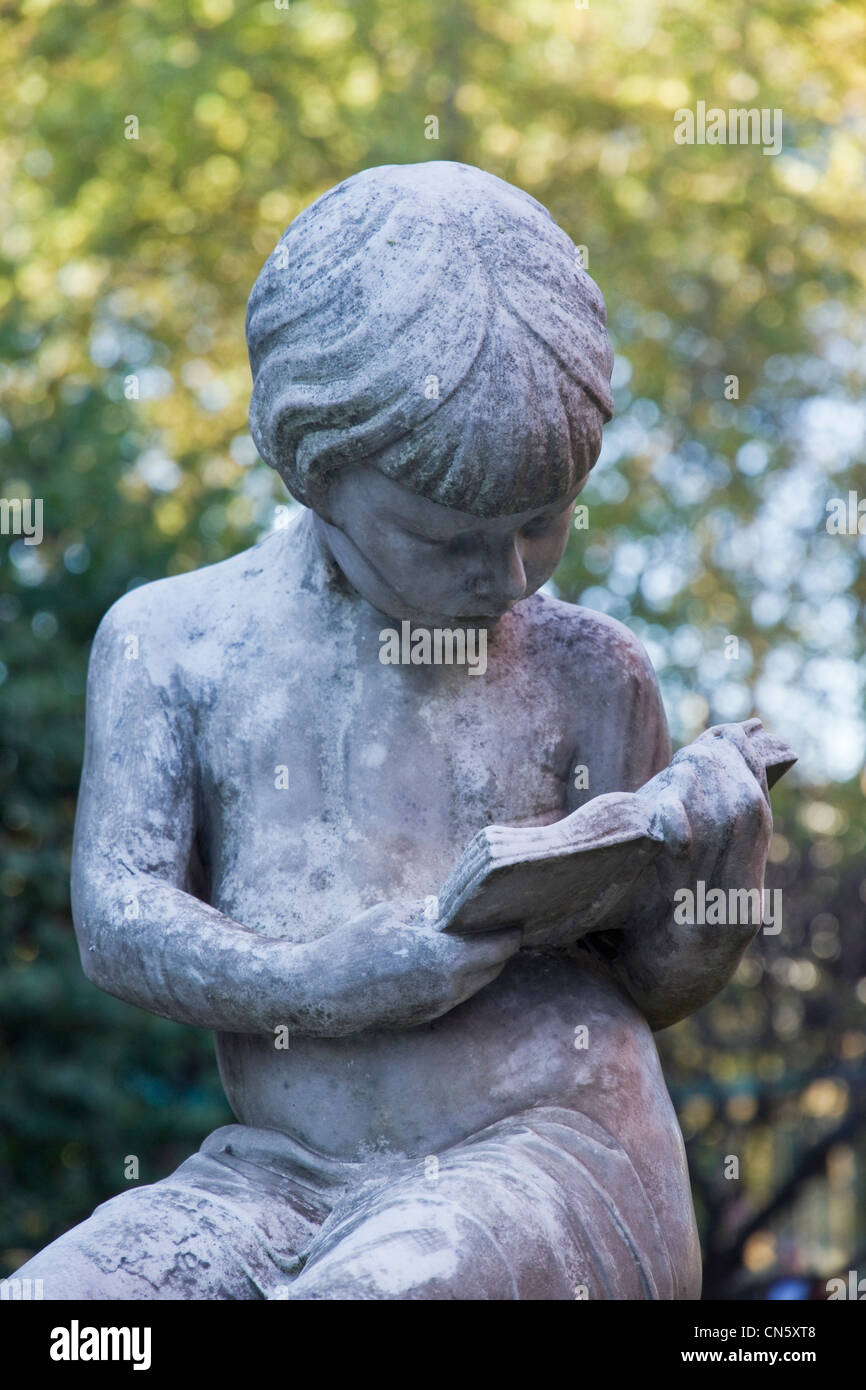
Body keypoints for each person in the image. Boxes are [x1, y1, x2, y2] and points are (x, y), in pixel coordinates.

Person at [15, 162, 775, 1299]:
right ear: (311, 467)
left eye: (543, 522)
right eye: (448, 538)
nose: (509, 574)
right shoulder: (173, 643)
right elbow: (118, 920)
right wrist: (319, 980)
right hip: (275, 1173)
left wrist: (720, 879)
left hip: (550, 1152)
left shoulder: (590, 669)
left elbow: (647, 983)